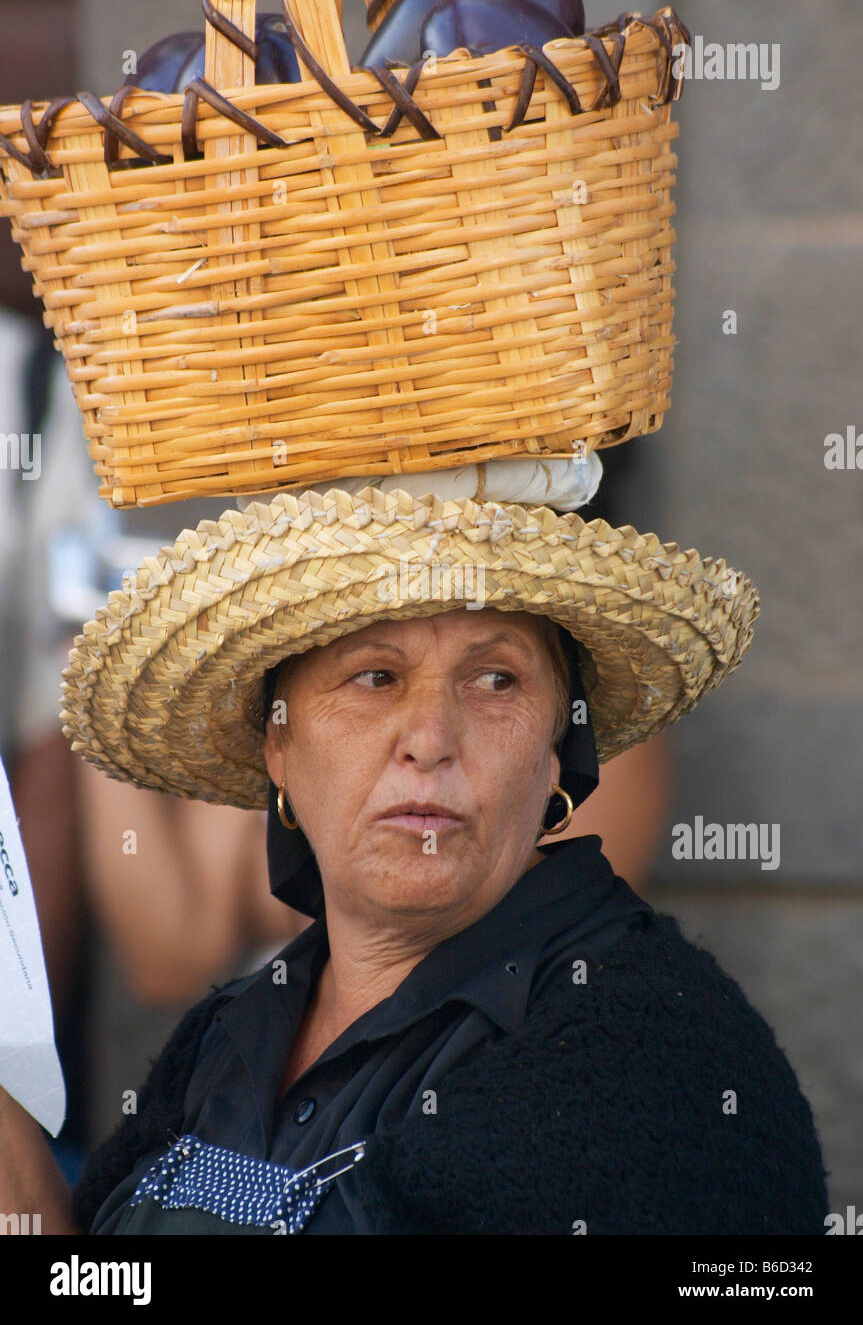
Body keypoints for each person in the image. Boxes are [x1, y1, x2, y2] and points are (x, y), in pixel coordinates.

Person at [0, 482, 827, 1235]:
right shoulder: (231, 1031)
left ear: (554, 756)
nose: (430, 739)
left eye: (495, 680)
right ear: (278, 748)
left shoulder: (652, 1061)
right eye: (373, 677)